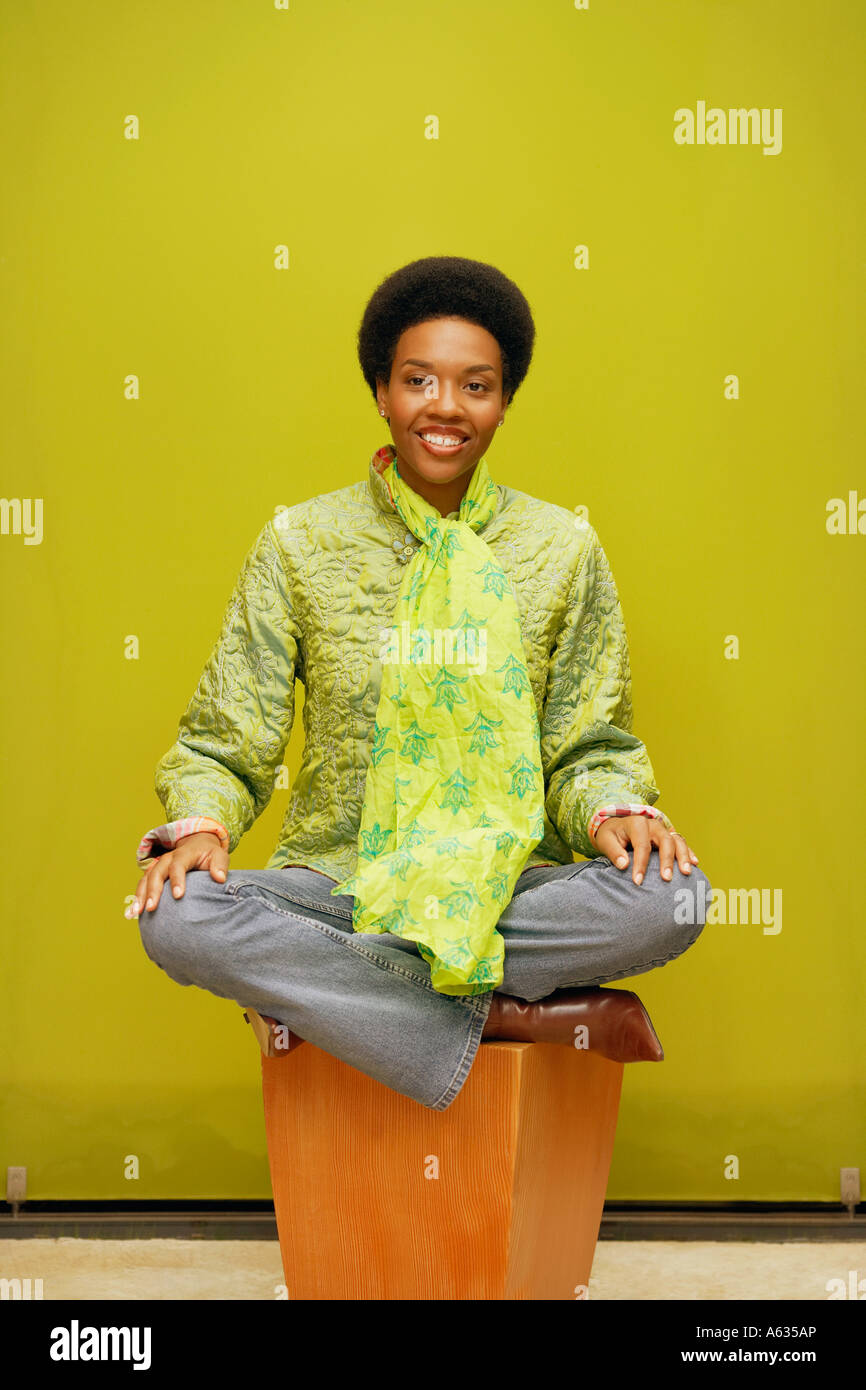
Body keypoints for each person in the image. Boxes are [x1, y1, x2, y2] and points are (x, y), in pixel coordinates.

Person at [129, 255, 712, 1111]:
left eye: (475, 385)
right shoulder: (301, 542)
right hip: (343, 885)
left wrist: (615, 810)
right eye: (418, 381)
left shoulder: (561, 549)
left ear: (505, 400)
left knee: (675, 899)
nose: (445, 407)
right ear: (381, 390)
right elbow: (229, 730)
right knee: (173, 916)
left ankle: (357, 1001)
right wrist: (203, 823)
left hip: (507, 878)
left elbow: (591, 739)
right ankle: (507, 1012)